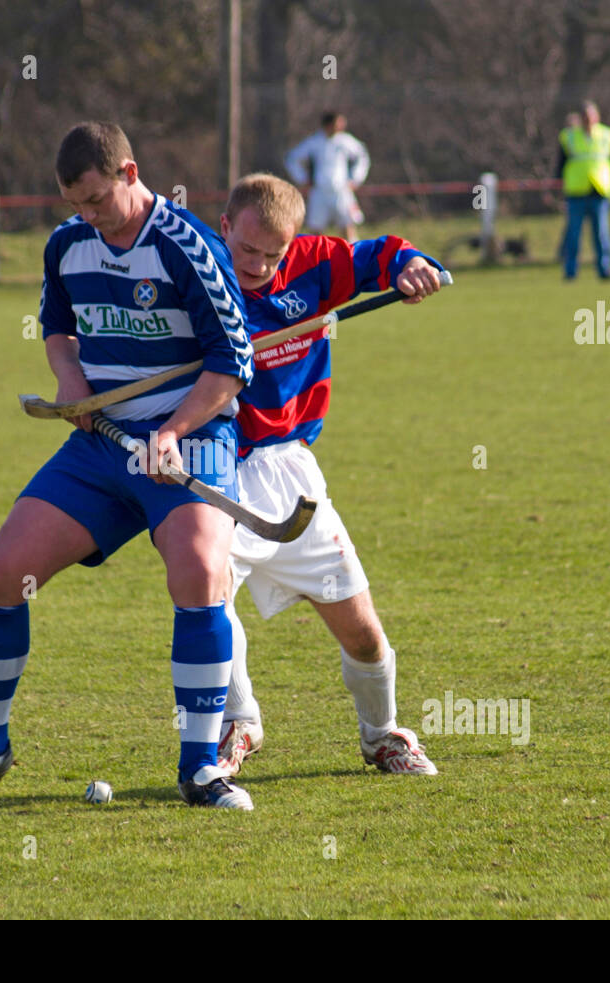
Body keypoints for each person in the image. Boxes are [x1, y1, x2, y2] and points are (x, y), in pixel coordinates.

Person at [0, 122, 258, 809]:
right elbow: (57, 328)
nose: (87, 215)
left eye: (96, 199)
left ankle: (200, 766)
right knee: (5, 574)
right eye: (76, 202)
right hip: (100, 444)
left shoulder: (189, 248)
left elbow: (231, 367)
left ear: (129, 172)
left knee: (201, 572)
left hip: (191, 442)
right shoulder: (67, 242)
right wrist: (70, 380)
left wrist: (175, 429)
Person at [212, 173, 442, 777]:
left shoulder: (313, 266)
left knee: (363, 633)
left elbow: (383, 254)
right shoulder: (197, 275)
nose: (258, 265)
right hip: (217, 468)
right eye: (247, 250)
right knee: (207, 600)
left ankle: (382, 733)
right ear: (224, 227)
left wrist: (412, 267)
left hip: (291, 472)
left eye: (273, 254)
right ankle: (239, 723)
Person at [285, 111, 370, 242]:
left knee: (347, 226)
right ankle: (315, 259)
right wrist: (302, 179)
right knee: (315, 230)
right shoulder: (314, 142)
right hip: (319, 192)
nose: (341, 126)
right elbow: (293, 159)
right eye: (338, 123)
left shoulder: (346, 141)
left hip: (341, 191)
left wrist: (356, 179)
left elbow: (362, 157)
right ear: (329, 125)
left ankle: (353, 257)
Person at [558, 100, 610, 280]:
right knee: (574, 234)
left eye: (590, 116)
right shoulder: (569, 137)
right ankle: (570, 272)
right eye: (584, 116)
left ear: (597, 117)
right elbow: (561, 164)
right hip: (576, 191)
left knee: (601, 234)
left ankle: (604, 270)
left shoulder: (608, 135)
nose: (588, 120)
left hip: (599, 191)